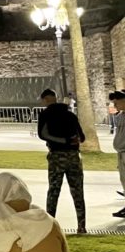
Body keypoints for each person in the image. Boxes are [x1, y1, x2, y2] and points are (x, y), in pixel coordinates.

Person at [37, 88, 86, 234]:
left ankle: (50, 225)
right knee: (78, 192)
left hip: (57, 156)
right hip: (74, 157)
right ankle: (81, 226)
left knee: (53, 191)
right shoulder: (70, 115)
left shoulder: (45, 115)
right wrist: (70, 141)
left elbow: (42, 134)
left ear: (45, 99)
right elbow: (81, 137)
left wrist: (61, 141)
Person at [109, 91, 125, 218]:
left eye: (116, 102)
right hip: (121, 152)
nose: (114, 105)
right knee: (123, 179)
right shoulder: (120, 116)